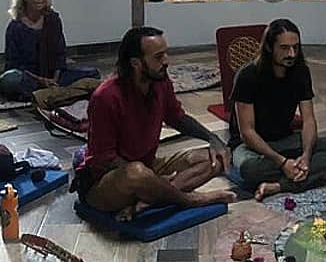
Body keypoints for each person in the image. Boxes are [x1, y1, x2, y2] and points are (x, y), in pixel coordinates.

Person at [77, 27, 236, 219]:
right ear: (136, 63)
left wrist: (213, 138)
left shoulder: (160, 81)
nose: (166, 61)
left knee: (216, 158)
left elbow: (177, 117)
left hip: (149, 167)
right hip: (107, 182)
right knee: (136, 173)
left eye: (166, 54)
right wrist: (149, 181)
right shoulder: (105, 97)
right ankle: (191, 200)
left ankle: (148, 200)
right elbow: (104, 158)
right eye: (158, 57)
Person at [229, 19, 326, 200]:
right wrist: (282, 162)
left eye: (295, 47)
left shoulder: (300, 72)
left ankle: (278, 185)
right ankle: (305, 174)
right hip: (251, 147)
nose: (291, 54)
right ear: (269, 47)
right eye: (284, 48)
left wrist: (307, 156)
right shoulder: (248, 76)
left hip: (285, 140)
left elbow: (308, 120)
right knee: (248, 168)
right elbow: (247, 132)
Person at [0, 0, 100, 100]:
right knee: (9, 80)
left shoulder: (53, 19)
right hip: (29, 76)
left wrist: (54, 78)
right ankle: (55, 92)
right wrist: (41, 80)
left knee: (93, 73)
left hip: (53, 75)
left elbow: (60, 54)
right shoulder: (16, 26)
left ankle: (44, 93)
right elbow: (13, 63)